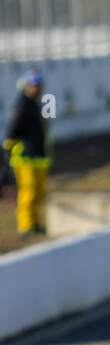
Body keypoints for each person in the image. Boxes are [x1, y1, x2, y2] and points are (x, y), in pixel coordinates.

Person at [4, 70, 51, 235]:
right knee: (28, 192)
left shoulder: (35, 104)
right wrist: (9, 149)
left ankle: (36, 223)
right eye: (34, 85)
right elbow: (11, 132)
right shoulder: (22, 105)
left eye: (39, 85)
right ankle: (26, 226)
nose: (38, 88)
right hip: (25, 157)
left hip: (38, 157)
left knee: (39, 193)